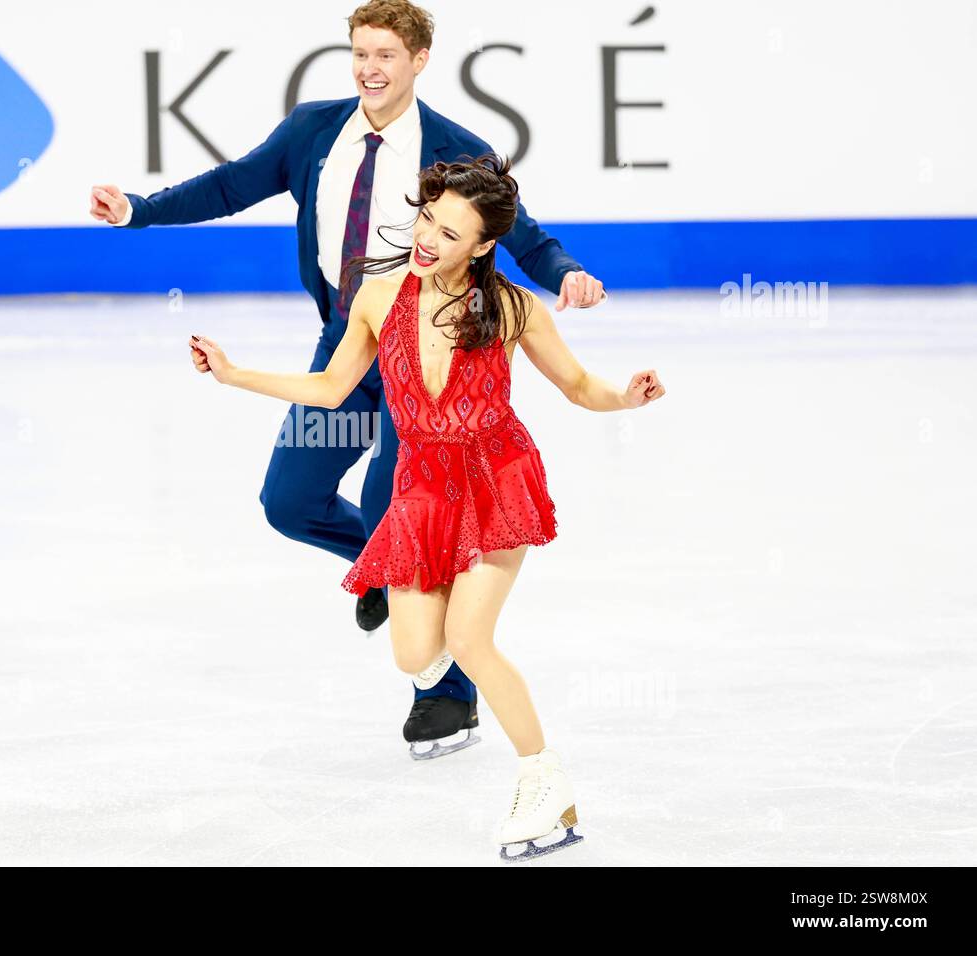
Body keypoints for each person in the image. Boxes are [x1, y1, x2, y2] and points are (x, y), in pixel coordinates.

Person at [90, 0, 607, 758]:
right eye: (361, 52)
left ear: (419, 60)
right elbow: (231, 185)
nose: (370, 68)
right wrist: (139, 209)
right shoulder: (315, 131)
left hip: (427, 358)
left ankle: (446, 695)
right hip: (352, 334)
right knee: (289, 499)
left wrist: (567, 274)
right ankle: (382, 570)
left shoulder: (456, 149)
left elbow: (520, 234)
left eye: (387, 55)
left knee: (395, 500)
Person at [188, 153, 665, 860]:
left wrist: (624, 396)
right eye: (426, 217)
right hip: (421, 490)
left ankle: (544, 782)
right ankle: (490, 723)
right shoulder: (380, 297)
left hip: (494, 479)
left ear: (483, 245)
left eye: (449, 230)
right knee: (415, 649)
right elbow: (330, 388)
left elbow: (577, 386)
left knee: (471, 639)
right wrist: (233, 376)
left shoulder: (511, 307)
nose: (428, 237)